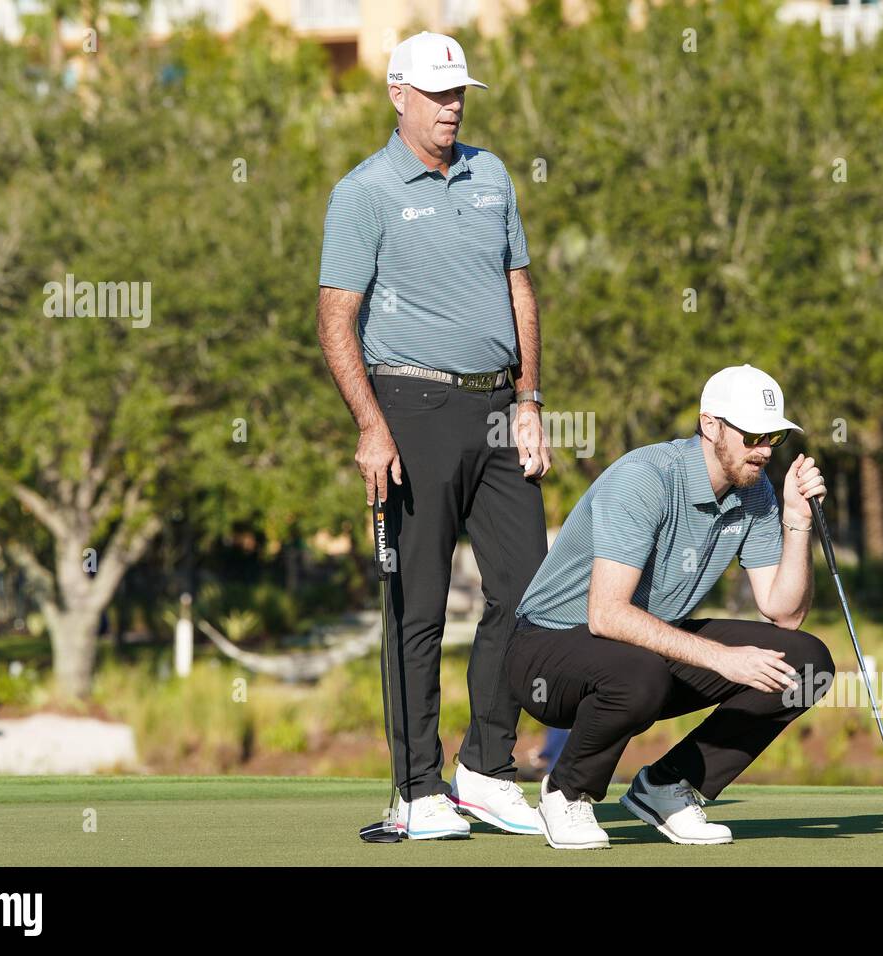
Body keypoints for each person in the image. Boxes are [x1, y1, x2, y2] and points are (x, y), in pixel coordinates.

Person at [316, 32, 549, 840]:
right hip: (411, 410)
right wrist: (371, 425)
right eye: (437, 94)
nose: (452, 107)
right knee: (416, 608)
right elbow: (335, 318)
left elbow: (519, 287)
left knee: (529, 593)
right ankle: (416, 788)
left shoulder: (493, 175)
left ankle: (485, 769)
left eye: (459, 94)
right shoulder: (365, 192)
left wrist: (530, 399)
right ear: (397, 94)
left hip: (498, 409)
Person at [507, 365, 837, 849]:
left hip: (640, 648)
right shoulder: (645, 478)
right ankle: (566, 792)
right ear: (710, 425)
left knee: (806, 662)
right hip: (548, 650)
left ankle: (668, 787)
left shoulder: (758, 493)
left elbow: (784, 614)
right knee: (640, 672)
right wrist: (723, 658)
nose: (764, 449)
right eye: (751, 435)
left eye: (773, 437)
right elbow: (607, 614)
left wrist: (796, 521)